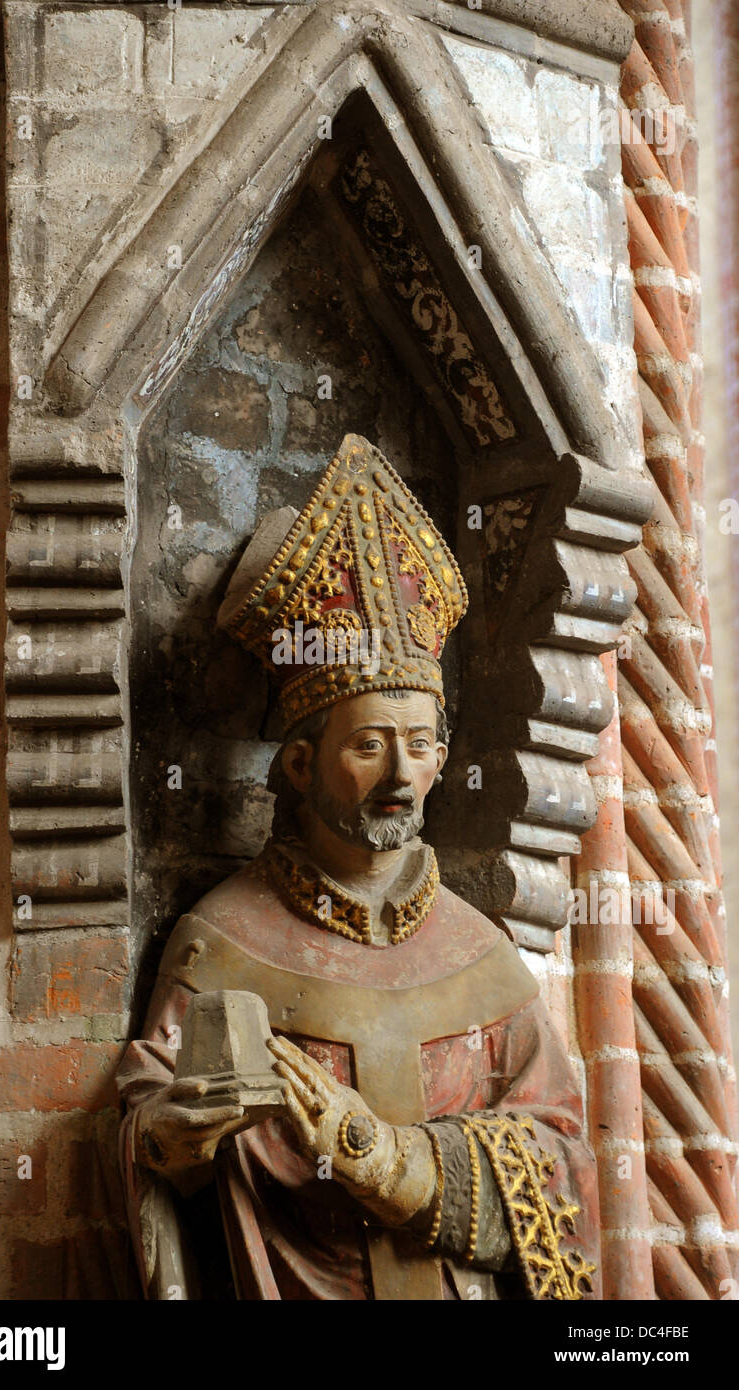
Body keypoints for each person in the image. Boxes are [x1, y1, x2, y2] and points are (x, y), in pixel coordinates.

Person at [116, 435, 599, 1300]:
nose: (400, 775)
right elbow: (149, 1139)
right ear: (302, 765)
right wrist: (171, 1135)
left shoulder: (480, 956)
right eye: (369, 745)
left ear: (443, 759)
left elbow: (561, 1159)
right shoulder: (222, 940)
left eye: (419, 746)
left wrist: (389, 1161)